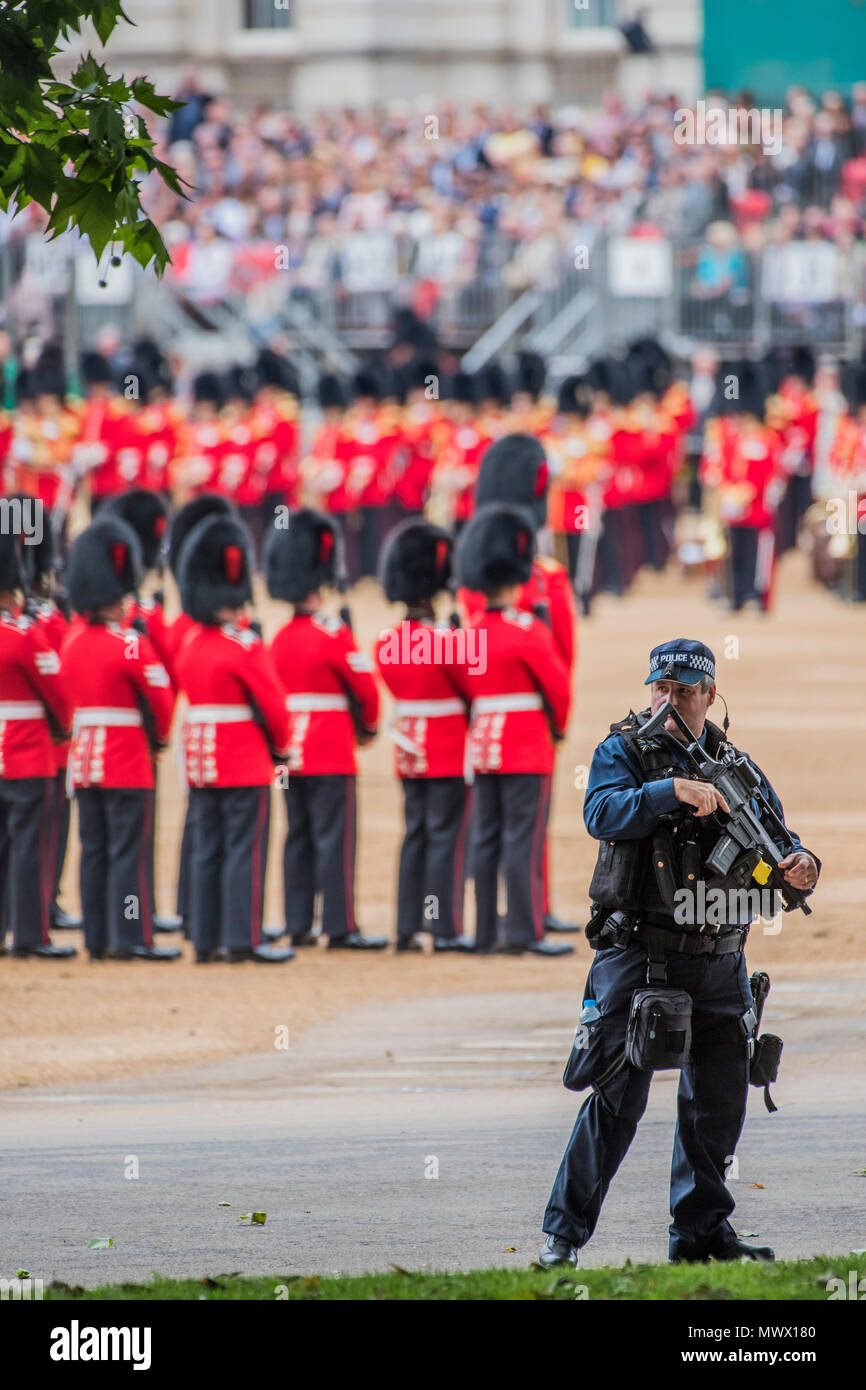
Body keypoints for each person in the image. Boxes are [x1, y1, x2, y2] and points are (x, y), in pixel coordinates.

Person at [539, 639, 820, 1268]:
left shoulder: (736, 764)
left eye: (685, 691)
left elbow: (778, 841)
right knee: (616, 1100)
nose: (670, 702)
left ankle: (700, 1238)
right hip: (642, 953)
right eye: (660, 690)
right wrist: (672, 791)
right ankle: (562, 1238)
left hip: (720, 954)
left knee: (717, 1104)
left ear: (710, 696)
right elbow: (601, 812)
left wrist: (801, 866)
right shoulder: (625, 751)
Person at [459, 433, 580, 935]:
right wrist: (553, 714)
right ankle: (530, 912)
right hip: (528, 714)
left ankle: (499, 918)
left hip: (490, 717)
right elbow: (562, 655)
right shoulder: (546, 578)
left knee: (495, 823)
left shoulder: (471, 587)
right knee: (527, 819)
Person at [174, 512, 294, 964]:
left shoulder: (191, 645)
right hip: (242, 760)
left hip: (202, 761)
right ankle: (242, 938)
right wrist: (281, 749)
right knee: (243, 849)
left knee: (207, 849)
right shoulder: (244, 646)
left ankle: (205, 940)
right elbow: (275, 708)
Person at [264, 508, 386, 950]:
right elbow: (365, 691)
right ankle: (338, 925)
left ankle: (297, 923)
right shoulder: (332, 632)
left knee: (297, 838)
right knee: (334, 841)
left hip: (289, 751)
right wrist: (367, 728)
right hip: (331, 748)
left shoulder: (278, 637)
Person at [62, 519, 180, 962]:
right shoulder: (129, 643)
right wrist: (160, 739)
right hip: (127, 759)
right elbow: (162, 701)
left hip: (85, 760)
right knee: (127, 854)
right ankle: (130, 937)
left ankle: (96, 938)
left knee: (93, 852)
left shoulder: (72, 642)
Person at [375, 518, 473, 953]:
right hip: (448, 746)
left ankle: (406, 926)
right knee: (444, 837)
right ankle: (443, 926)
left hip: (408, 748)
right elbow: (473, 687)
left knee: (414, 832)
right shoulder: (448, 641)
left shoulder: (386, 642)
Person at [0, 527, 74, 958]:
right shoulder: (23, 634)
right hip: (28, 753)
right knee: (30, 844)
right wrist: (62, 729)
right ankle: (29, 933)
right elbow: (59, 694)